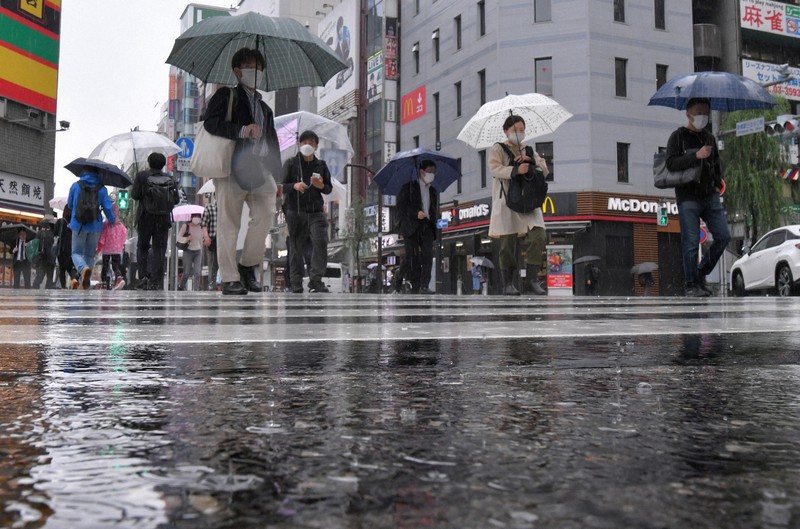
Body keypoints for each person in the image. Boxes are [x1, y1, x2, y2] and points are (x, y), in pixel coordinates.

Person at [203, 47, 281, 295]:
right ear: (237, 71)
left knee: (266, 213)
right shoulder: (226, 95)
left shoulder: (265, 108)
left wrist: (277, 177)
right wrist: (242, 130)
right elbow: (210, 122)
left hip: (258, 168)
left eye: (258, 67)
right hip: (230, 166)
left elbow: (273, 142)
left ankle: (247, 265)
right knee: (229, 222)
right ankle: (229, 278)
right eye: (249, 66)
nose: (255, 71)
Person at [665, 97, 730, 297]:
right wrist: (695, 156)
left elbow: (717, 164)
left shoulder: (709, 138)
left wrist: (717, 182)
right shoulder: (678, 137)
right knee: (691, 242)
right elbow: (671, 164)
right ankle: (691, 284)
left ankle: (700, 272)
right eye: (699, 111)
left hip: (709, 194)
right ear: (688, 114)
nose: (703, 116)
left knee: (723, 236)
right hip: (688, 196)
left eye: (706, 112)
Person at [488, 115, 549, 296]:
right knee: (507, 241)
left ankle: (532, 279)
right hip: (507, 198)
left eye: (522, 129)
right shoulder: (498, 148)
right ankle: (508, 282)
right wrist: (515, 170)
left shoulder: (528, 149)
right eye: (515, 130)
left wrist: (530, 161)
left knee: (539, 234)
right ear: (506, 131)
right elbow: (494, 169)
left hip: (528, 199)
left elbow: (544, 169)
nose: (519, 133)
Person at [281, 130, 333, 293]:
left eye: (311, 143)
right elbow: (281, 185)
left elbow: (328, 188)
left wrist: (321, 186)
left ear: (316, 146)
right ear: (299, 144)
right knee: (296, 247)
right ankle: (296, 282)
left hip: (316, 211)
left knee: (320, 241)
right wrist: (294, 186)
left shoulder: (321, 165)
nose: (307, 145)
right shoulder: (290, 163)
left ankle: (316, 279)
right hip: (295, 211)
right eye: (304, 142)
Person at [131, 152, 180, 291]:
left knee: (142, 247)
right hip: (163, 219)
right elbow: (175, 199)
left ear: (149, 162)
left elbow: (135, 195)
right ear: (164, 164)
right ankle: (155, 281)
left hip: (145, 217)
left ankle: (143, 277)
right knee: (159, 249)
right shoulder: (169, 178)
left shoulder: (142, 176)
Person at [66, 169, 116, 290]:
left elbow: (70, 204)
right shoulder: (102, 188)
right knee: (89, 254)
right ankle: (85, 283)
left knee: (76, 253)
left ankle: (83, 269)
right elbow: (107, 208)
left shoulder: (76, 185)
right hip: (95, 226)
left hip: (78, 225)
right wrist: (113, 220)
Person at [396, 160, 439, 294]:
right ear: (421, 172)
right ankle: (399, 274)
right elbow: (401, 207)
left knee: (428, 254)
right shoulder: (408, 188)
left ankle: (424, 285)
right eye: (430, 172)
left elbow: (433, 209)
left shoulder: (433, 191)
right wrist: (416, 213)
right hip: (411, 226)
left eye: (433, 172)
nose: (432, 174)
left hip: (426, 226)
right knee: (411, 256)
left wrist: (432, 220)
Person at [97, 202, 127, 290]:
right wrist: (120, 245)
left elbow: (102, 237)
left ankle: (104, 283)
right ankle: (119, 278)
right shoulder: (121, 226)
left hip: (106, 249)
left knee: (105, 265)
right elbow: (124, 235)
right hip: (117, 249)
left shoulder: (105, 225)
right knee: (115, 265)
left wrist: (99, 248)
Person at [177, 214, 204, 291]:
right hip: (188, 251)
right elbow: (178, 238)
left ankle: (196, 290)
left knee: (197, 272)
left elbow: (202, 238)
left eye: (199, 217)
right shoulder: (186, 226)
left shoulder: (201, 227)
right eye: (195, 217)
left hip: (198, 251)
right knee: (186, 272)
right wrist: (187, 238)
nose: (197, 219)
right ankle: (180, 286)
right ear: (191, 217)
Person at [54, 208, 78, 289]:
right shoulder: (74, 222)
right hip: (71, 249)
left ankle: (63, 286)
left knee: (62, 269)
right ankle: (74, 280)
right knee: (70, 268)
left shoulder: (60, 222)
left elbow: (55, 233)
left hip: (61, 249)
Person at [200, 194, 218, 291]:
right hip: (212, 240)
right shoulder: (210, 207)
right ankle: (212, 284)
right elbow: (203, 223)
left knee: (222, 263)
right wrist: (206, 237)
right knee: (212, 263)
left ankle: (224, 284)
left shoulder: (227, 210)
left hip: (224, 242)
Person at [32, 219, 57, 289]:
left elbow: (35, 243)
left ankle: (35, 290)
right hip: (51, 260)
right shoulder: (54, 235)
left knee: (39, 276)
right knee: (49, 279)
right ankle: (47, 295)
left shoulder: (40, 233)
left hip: (41, 259)